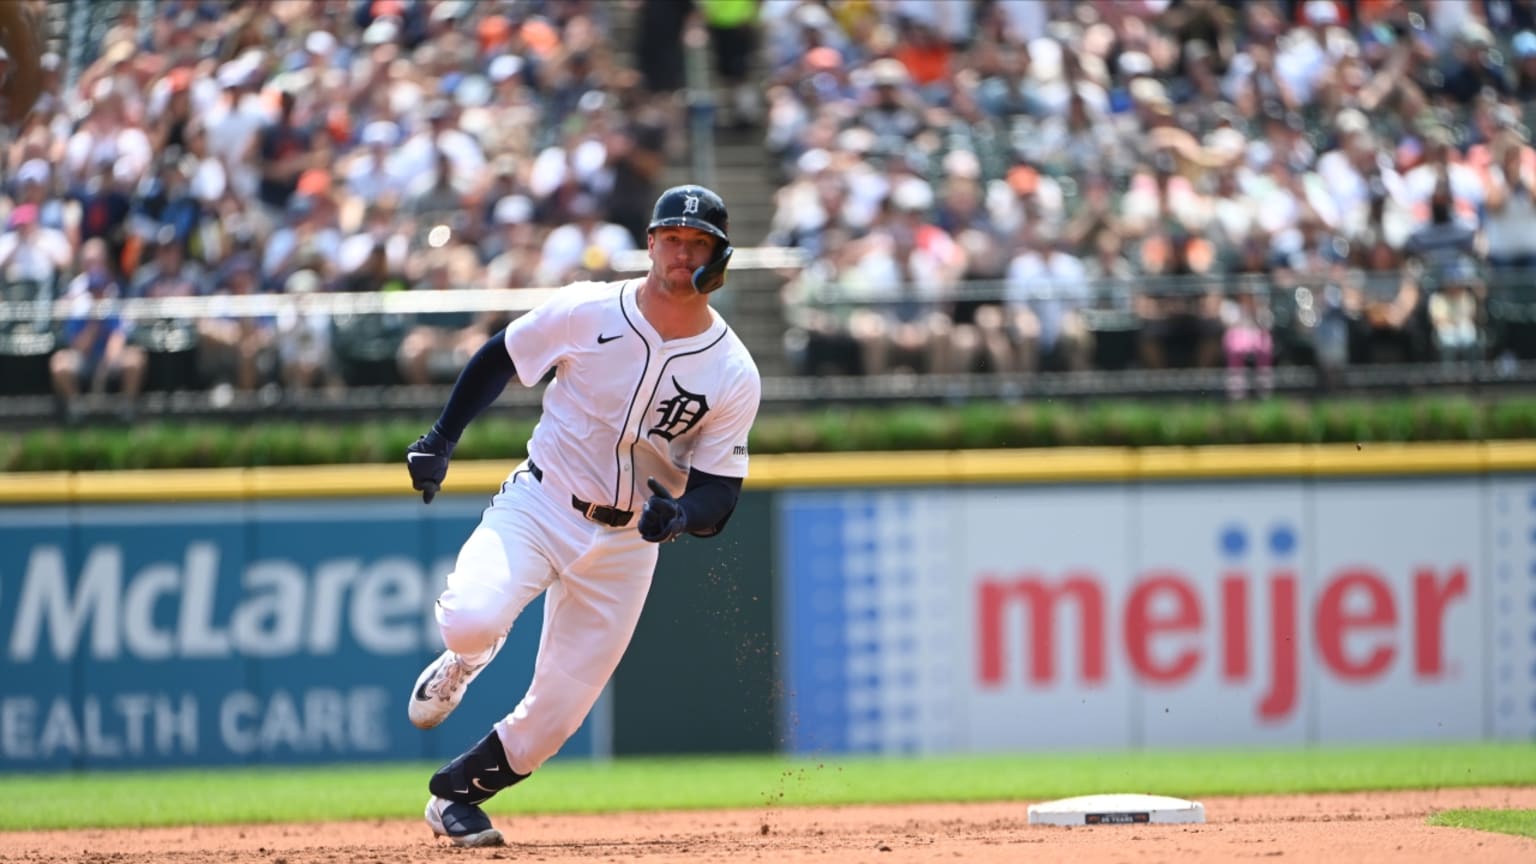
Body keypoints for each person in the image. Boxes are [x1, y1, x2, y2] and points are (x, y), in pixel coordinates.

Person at [402, 185, 761, 847]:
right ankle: (467, 659)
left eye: (698, 243)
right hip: (542, 502)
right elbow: (500, 357)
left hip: (627, 543)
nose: (682, 253)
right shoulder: (590, 307)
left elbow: (720, 493)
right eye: (672, 239)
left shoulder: (733, 370)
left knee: (553, 725)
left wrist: (679, 516)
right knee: (469, 620)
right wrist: (441, 438)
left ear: (719, 255)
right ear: (650, 243)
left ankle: (454, 796)